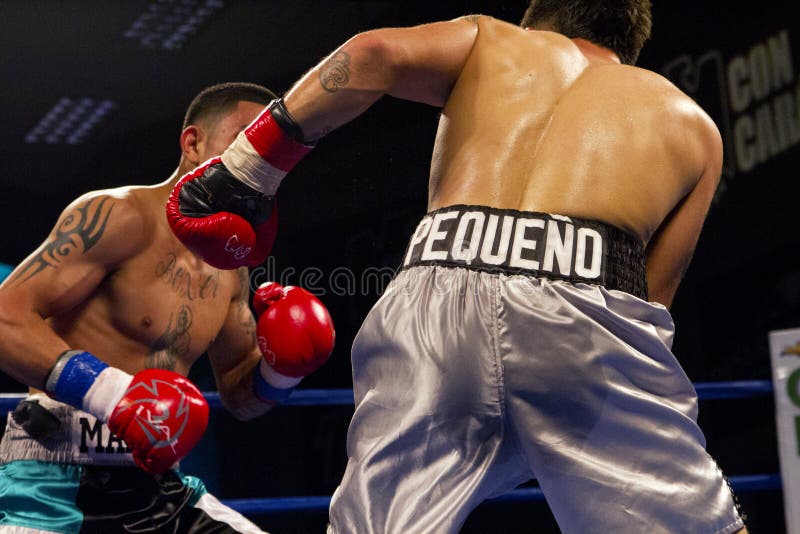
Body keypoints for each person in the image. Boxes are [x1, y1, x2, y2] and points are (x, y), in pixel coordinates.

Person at [167, 1, 747, 532]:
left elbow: (373, 53)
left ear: (536, 19)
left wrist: (248, 169)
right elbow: (650, 308)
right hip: (588, 310)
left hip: (438, 293)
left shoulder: (494, 42)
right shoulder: (695, 127)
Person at [0, 83, 334, 533]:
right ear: (193, 143)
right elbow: (5, 317)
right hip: (52, 476)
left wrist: (283, 372)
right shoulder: (120, 216)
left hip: (158, 487)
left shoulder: (232, 267)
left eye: (276, 152)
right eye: (248, 141)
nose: (263, 163)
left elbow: (240, 398)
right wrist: (116, 396)